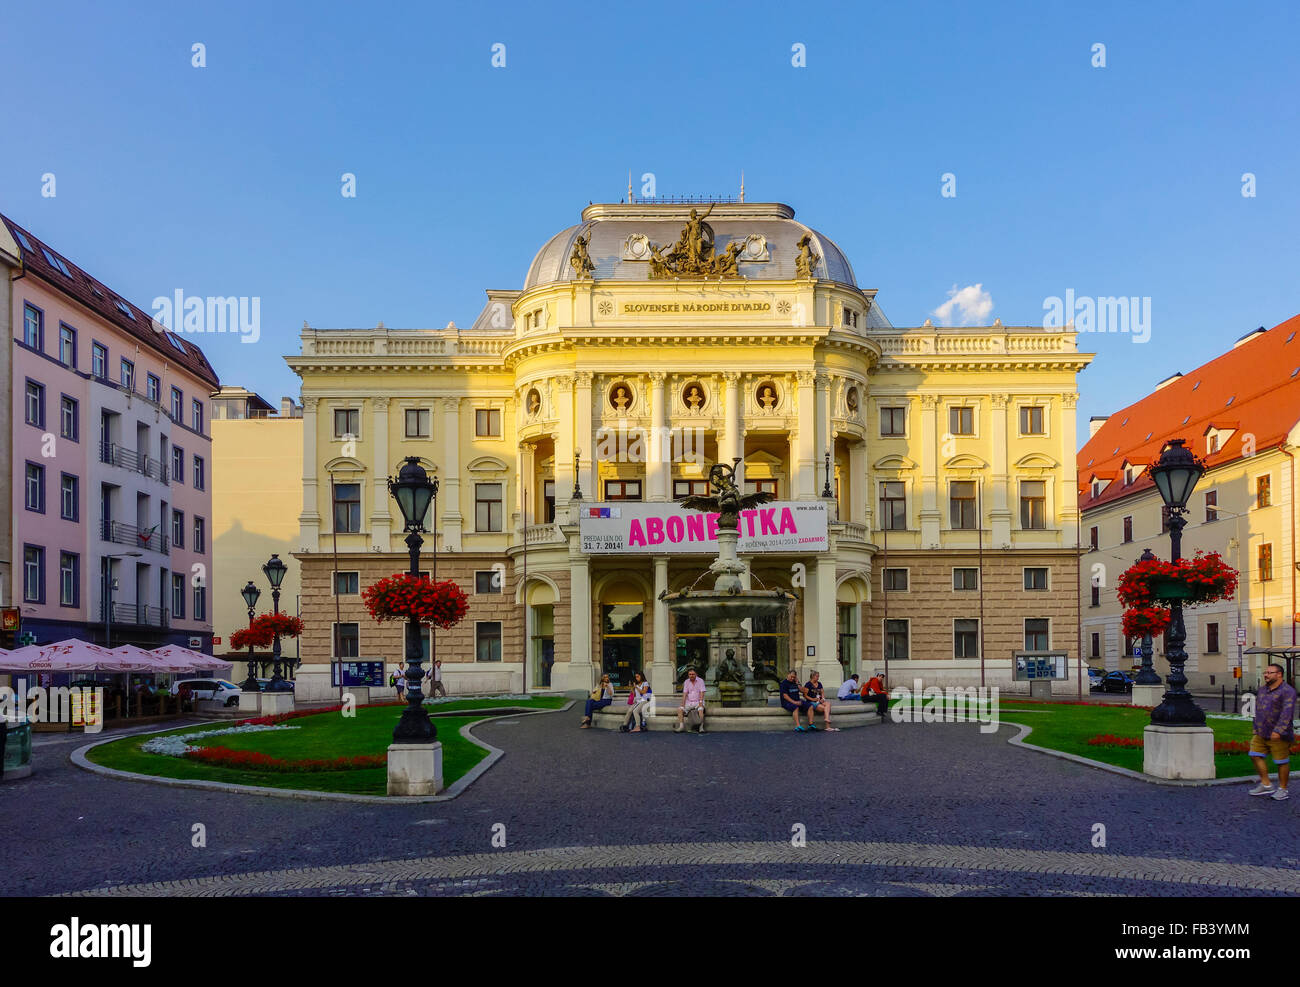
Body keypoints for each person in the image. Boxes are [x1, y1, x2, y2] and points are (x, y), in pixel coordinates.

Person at [1248, 662, 1297, 800]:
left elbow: (1287, 713)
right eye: (1265, 672)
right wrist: (1255, 727)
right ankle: (1266, 784)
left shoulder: (1288, 691)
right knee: (1254, 754)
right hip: (1261, 731)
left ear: (1279, 674)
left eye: (1269, 673)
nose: (1266, 675)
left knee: (1281, 762)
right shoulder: (1262, 689)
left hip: (1279, 734)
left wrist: (1279, 730)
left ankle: (1283, 789)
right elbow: (1257, 709)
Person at [675, 667, 707, 733]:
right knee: (680, 710)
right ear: (688, 675)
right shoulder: (686, 682)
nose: (691, 676)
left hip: (698, 701)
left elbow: (702, 692)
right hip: (689, 702)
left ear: (696, 675)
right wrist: (683, 703)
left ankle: (701, 728)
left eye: (693, 674)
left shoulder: (701, 681)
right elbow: (685, 693)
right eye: (690, 674)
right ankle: (681, 727)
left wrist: (701, 702)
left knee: (701, 709)